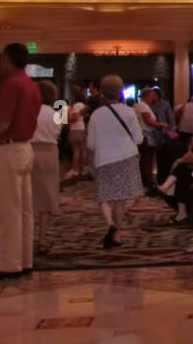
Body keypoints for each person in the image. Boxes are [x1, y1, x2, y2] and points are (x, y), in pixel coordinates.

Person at [0, 43, 41, 280]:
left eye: (0, 59)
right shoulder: (31, 85)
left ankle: (8, 265)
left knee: (9, 210)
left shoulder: (12, 84)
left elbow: (2, 123)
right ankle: (24, 260)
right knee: (24, 210)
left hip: (8, 149)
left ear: (7, 60)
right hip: (26, 148)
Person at [86, 75, 143, 249]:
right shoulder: (129, 112)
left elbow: (90, 144)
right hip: (126, 157)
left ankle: (109, 224)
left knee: (104, 195)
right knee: (120, 198)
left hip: (104, 159)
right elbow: (139, 139)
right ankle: (117, 233)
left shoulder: (96, 114)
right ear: (120, 92)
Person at [31, 80, 62, 255]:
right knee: (47, 196)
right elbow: (58, 133)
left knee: (29, 194)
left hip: (29, 150)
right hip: (49, 152)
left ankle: (27, 236)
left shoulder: (29, 111)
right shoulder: (56, 113)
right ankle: (42, 239)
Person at [134, 87, 171, 191]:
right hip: (146, 134)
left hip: (145, 134)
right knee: (147, 159)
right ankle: (147, 180)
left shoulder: (142, 106)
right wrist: (161, 124)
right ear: (148, 95)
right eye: (152, 95)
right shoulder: (143, 106)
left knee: (146, 159)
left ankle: (145, 179)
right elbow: (149, 122)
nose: (154, 97)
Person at [65, 92, 88, 180]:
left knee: (76, 150)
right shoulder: (83, 105)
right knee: (82, 150)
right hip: (82, 128)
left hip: (75, 129)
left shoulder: (76, 105)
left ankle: (75, 169)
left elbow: (75, 118)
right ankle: (82, 169)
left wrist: (68, 118)